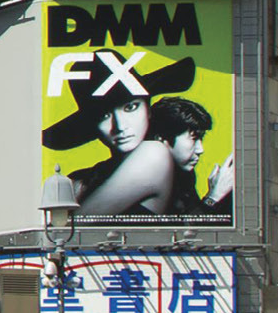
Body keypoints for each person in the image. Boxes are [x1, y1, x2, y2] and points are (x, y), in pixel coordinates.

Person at [46, 54, 207, 217]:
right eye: (104, 115)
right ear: (92, 124)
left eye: (130, 107)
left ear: (148, 110)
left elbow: (69, 231)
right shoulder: (82, 179)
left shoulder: (155, 154)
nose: (121, 127)